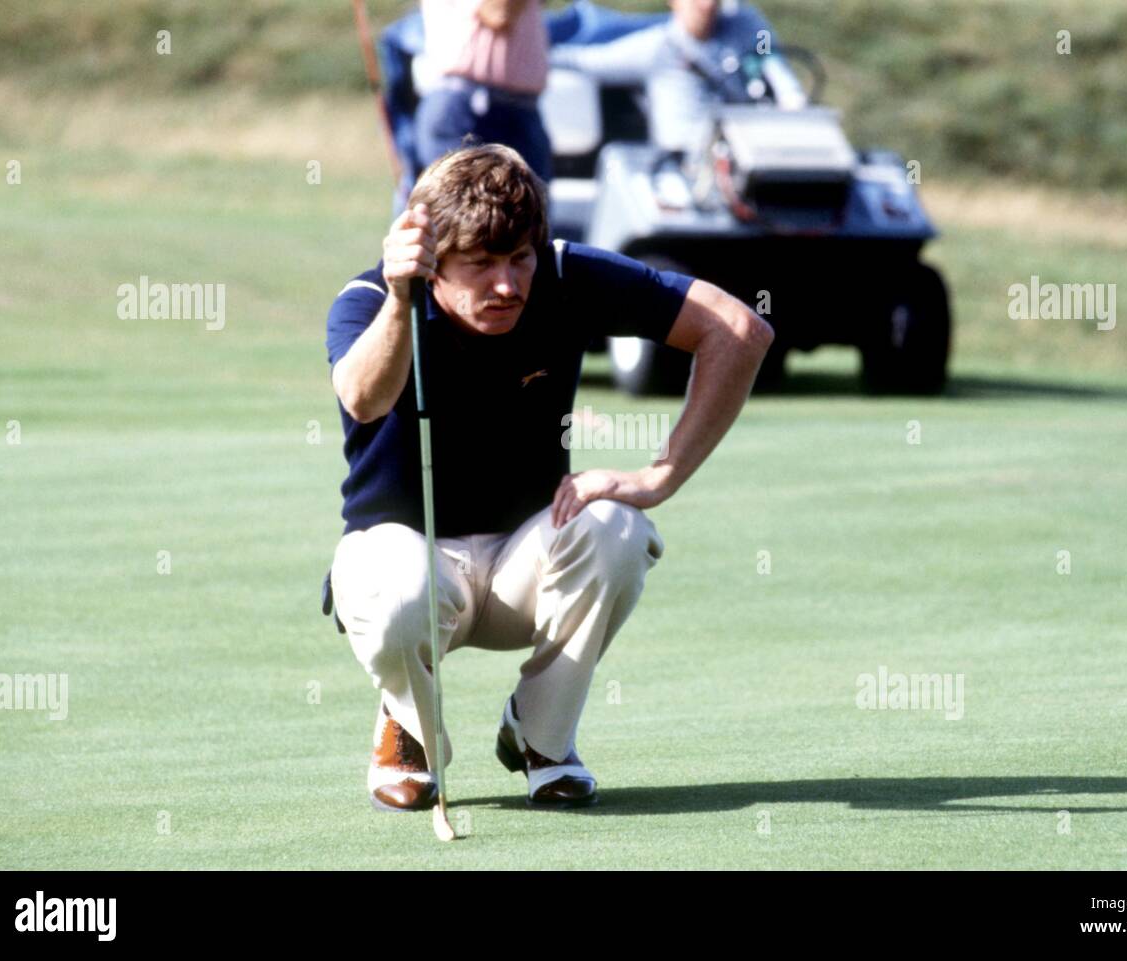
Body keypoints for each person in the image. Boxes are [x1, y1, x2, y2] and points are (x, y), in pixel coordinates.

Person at [324, 144, 773, 810]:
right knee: (397, 594)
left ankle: (542, 736)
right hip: (408, 563)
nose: (506, 285)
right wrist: (400, 298)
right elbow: (364, 398)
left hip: (522, 566)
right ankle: (409, 730)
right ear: (433, 261)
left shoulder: (566, 276)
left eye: (519, 258)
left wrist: (660, 475)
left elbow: (738, 329)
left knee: (617, 527)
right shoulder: (369, 299)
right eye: (479, 264)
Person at [550, 0, 807, 151]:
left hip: (747, 150)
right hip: (683, 161)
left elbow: (770, 56)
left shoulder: (747, 31)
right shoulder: (655, 48)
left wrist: (790, 98)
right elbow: (581, 60)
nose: (706, 5)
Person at [414, 0, 553, 183]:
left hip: (519, 107)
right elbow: (499, 12)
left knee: (529, 205)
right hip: (465, 106)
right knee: (459, 201)